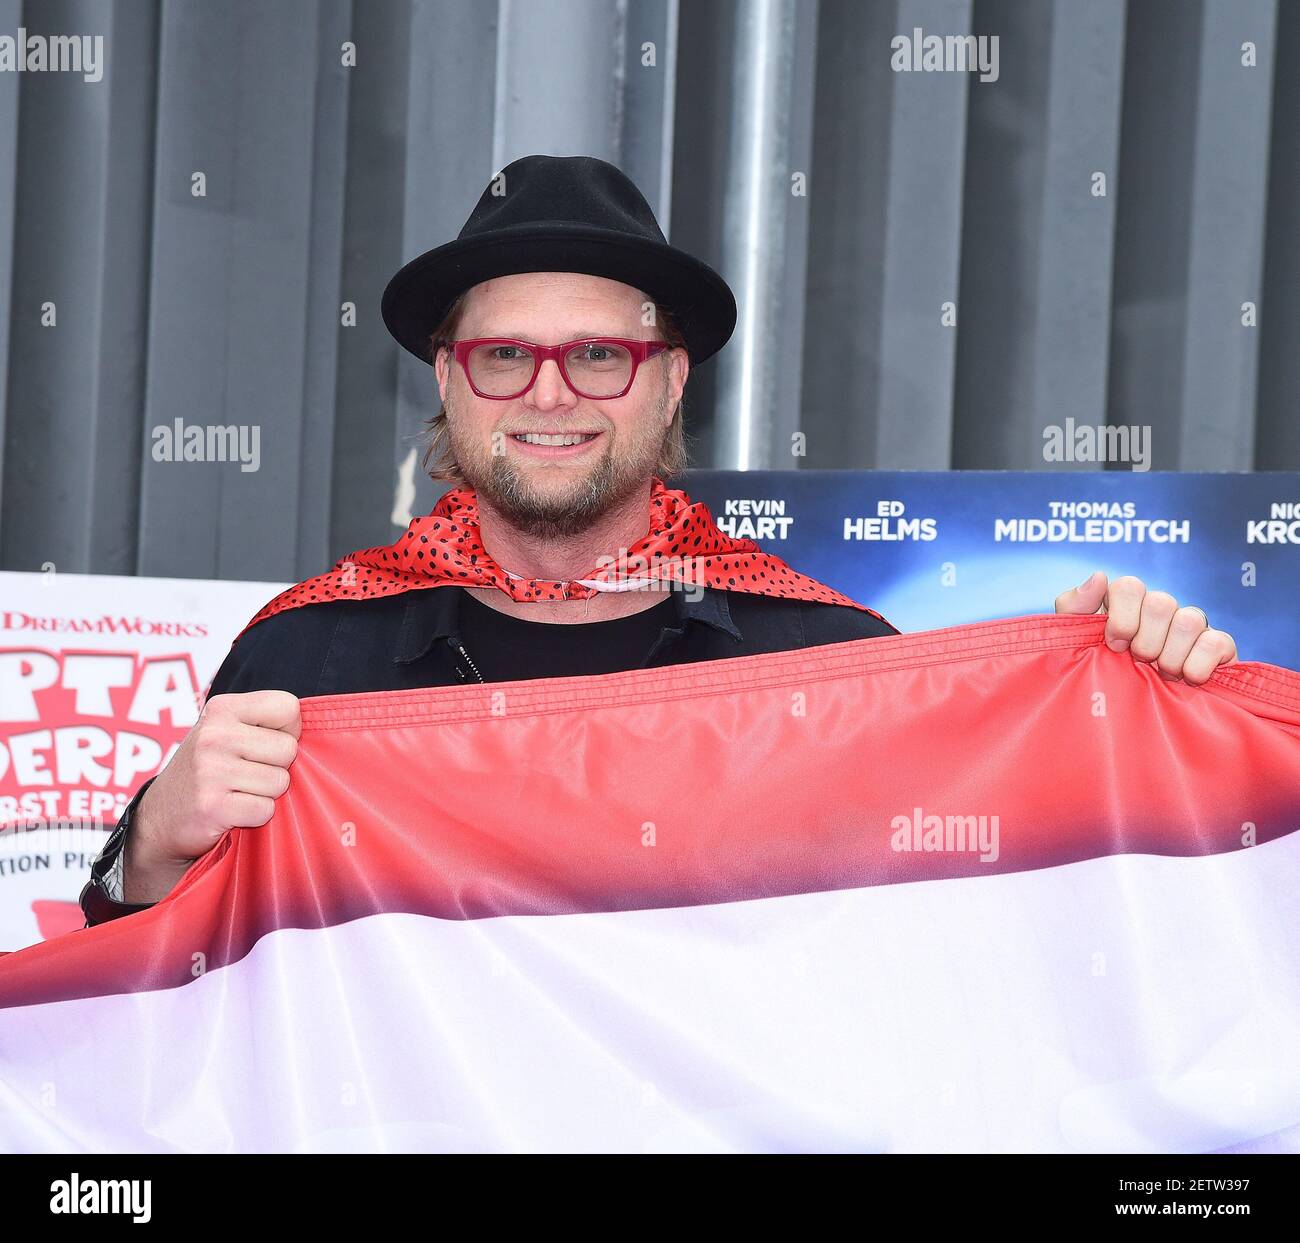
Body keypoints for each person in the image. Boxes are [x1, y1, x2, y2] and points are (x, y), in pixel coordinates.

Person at [80, 154, 1238, 928]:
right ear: (449, 378)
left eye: (599, 354)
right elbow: (160, 1026)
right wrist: (152, 850)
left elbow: (960, 948)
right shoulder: (306, 660)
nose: (549, 394)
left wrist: (1103, 719)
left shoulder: (822, 665)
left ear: (669, 381)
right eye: (503, 354)